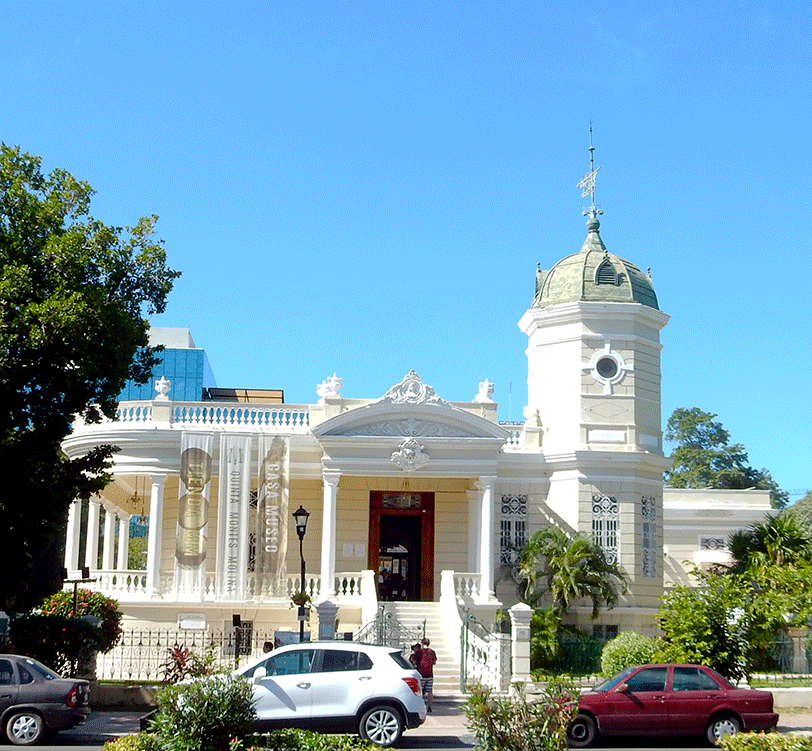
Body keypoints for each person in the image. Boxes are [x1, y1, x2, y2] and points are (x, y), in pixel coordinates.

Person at [416, 637, 437, 712]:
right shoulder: (432, 652)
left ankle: (420, 706)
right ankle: (429, 706)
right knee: (430, 691)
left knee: (420, 691)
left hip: (421, 674)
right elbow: (434, 662)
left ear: (422, 643)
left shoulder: (419, 652)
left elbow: (414, 661)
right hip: (430, 675)